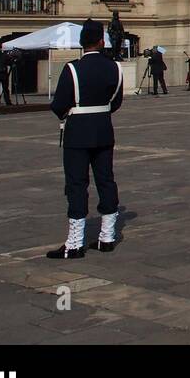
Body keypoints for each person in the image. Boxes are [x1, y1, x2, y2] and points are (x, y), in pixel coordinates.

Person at [47, 19, 124, 259]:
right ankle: (107, 237)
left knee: (77, 184)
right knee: (106, 180)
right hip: (103, 128)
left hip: (78, 132)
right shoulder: (114, 68)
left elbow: (59, 104)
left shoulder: (72, 68)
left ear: (82, 43)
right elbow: (116, 102)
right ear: (102, 41)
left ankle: (75, 243)